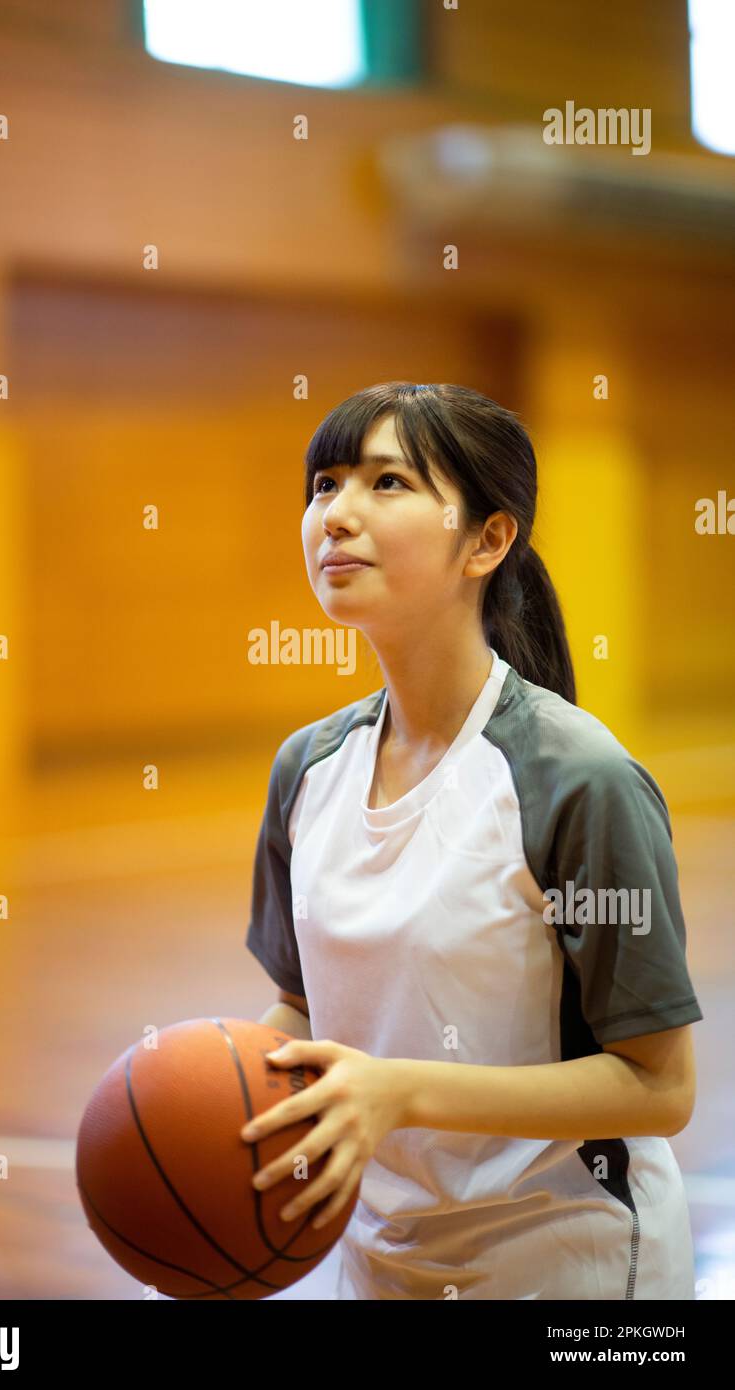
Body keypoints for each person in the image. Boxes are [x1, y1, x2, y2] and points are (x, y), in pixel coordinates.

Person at [242, 381, 703, 1301]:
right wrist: (205, 1108)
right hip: (376, 1260)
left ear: (487, 542)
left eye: (386, 483)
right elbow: (302, 1012)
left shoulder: (576, 778)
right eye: (324, 484)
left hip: (574, 1267)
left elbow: (660, 1089)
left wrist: (400, 1092)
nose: (336, 515)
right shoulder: (306, 769)